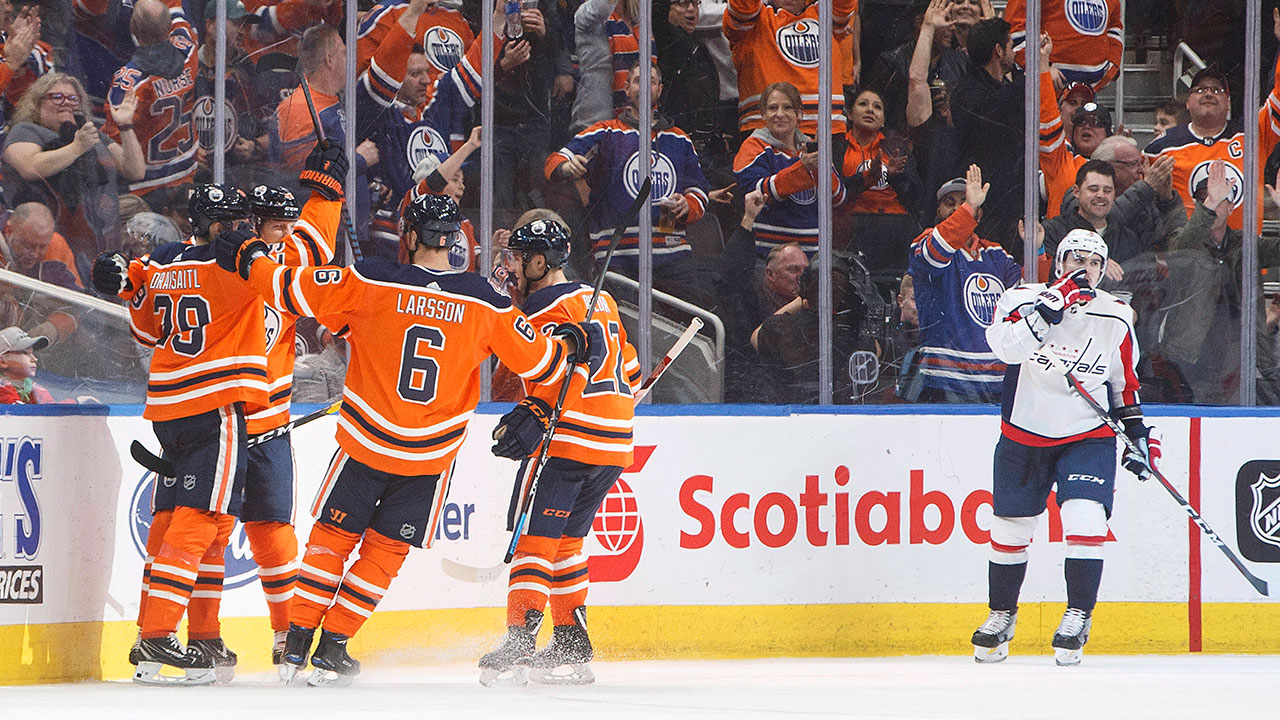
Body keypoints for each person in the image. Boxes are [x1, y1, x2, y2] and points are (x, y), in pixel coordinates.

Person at [212, 192, 602, 686]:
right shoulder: (488, 300)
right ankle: (334, 647)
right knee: (383, 554)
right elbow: (544, 364)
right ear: (455, 240)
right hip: (429, 457)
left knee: (330, 542)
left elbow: (288, 290)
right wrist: (575, 342)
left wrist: (249, 256)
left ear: (411, 236)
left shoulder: (369, 278)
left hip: (365, 443)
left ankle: (297, 645)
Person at [90, 182, 268, 686]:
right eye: (235, 220)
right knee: (200, 522)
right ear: (219, 224)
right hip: (215, 406)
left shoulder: (166, 266)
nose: (242, 229)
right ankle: (159, 634)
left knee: (177, 524)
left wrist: (128, 283)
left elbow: (146, 331)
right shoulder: (236, 264)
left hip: (170, 407)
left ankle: (195, 638)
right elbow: (291, 281)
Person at [974, 228, 1158, 666]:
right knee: (1010, 530)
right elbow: (1003, 349)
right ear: (1058, 263)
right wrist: (1046, 311)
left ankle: (1078, 615)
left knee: (1086, 518)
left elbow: (1122, 383)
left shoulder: (1116, 316)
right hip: (1024, 433)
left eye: (1093, 262)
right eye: (1074, 259)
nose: (1083, 268)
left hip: (1086, 435)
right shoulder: (1020, 298)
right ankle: (1002, 614)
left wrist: (1137, 436)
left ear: (1102, 270)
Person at [479, 219, 640, 687]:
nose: (513, 266)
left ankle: (519, 642)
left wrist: (535, 409)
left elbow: (547, 369)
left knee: (535, 539)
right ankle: (572, 643)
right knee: (567, 542)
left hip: (567, 438)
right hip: (614, 442)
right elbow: (627, 364)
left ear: (540, 262)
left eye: (518, 257)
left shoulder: (542, 306)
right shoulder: (601, 300)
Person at [233, 170, 343, 676]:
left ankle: (284, 633)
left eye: (286, 224)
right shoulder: (226, 261)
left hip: (270, 424)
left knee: (274, 529)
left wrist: (325, 193)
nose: (286, 235)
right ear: (251, 224)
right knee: (207, 533)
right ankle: (204, 635)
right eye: (277, 227)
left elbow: (314, 243)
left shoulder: (282, 260)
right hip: (221, 420)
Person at [546, 63, 713, 309]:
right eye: (637, 81)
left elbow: (699, 189)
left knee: (693, 320)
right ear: (626, 88)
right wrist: (567, 168)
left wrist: (687, 205)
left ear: (660, 89)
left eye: (652, 81)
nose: (645, 87)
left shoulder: (679, 138)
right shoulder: (605, 132)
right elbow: (555, 161)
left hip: (672, 255)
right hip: (619, 257)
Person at [1143, 13, 1280, 231]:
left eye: (1216, 89)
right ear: (1187, 103)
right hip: (1186, 258)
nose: (1208, 93)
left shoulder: (1253, 134)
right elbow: (1144, 204)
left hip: (1243, 259)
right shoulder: (1161, 147)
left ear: (1228, 102)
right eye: (1200, 89)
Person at [1, 72, 143, 262]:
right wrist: (77, 147)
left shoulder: (92, 136)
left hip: (99, 239)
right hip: (44, 242)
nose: (66, 102)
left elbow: (135, 170)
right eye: (57, 97)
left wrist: (125, 126)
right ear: (37, 103)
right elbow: (29, 166)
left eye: (73, 98)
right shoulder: (26, 131)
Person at [908, 167, 1020, 403]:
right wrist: (969, 207)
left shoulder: (996, 253)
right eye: (950, 202)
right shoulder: (924, 243)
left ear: (979, 216)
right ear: (938, 211)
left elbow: (1027, 292)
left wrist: (1038, 252)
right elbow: (935, 253)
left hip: (997, 382)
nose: (958, 207)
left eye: (966, 202)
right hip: (945, 382)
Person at [733, 81, 845, 258]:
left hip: (813, 256)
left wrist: (818, 167)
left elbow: (838, 197)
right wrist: (802, 169)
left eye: (787, 107)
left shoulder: (810, 148)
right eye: (772, 108)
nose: (779, 114)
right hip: (769, 255)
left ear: (799, 114)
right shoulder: (753, 146)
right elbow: (758, 193)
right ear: (763, 114)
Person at [101, 0, 199, 202]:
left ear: (132, 27)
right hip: (186, 171)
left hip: (145, 187)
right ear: (168, 27)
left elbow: (115, 138)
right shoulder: (188, 50)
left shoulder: (129, 79)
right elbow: (179, 19)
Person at [723, 0, 857, 136]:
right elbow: (743, 7)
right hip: (766, 129)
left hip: (827, 129)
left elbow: (844, 5)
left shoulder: (824, 14)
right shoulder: (755, 20)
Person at [950, 17, 1024, 242]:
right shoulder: (967, 89)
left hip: (1010, 195)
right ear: (999, 50)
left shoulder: (1008, 88)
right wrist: (1028, 81)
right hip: (984, 199)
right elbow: (989, 114)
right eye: (1011, 45)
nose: (1015, 52)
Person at [841, 85, 923, 278]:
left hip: (895, 228)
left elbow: (916, 195)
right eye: (863, 104)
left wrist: (895, 176)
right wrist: (867, 178)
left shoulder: (896, 148)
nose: (870, 110)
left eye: (877, 107)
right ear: (850, 114)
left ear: (884, 119)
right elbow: (835, 190)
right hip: (853, 228)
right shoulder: (838, 147)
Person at [1042, 160, 1139, 272]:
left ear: (1115, 195)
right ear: (1077, 192)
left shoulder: (1128, 238)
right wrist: (1096, 266)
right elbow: (1046, 277)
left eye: (1107, 190)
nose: (1101, 195)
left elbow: (1136, 282)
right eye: (1093, 189)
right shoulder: (1052, 231)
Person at [1006, 0, 1122, 91]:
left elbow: (1114, 25)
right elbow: (1015, 32)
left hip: (1088, 92)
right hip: (1043, 90)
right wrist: (1041, 68)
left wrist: (1112, 67)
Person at [0, 202, 83, 290]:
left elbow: (77, 296)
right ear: (9, 231)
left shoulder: (57, 245)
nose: (35, 254)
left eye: (42, 247)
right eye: (28, 246)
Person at [0, 325, 56, 404]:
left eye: (32, 353)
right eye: (26, 353)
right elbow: (17, 412)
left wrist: (77, 401)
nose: (34, 359)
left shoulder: (31, 387)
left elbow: (51, 408)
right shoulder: (2, 389)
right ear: (2, 362)